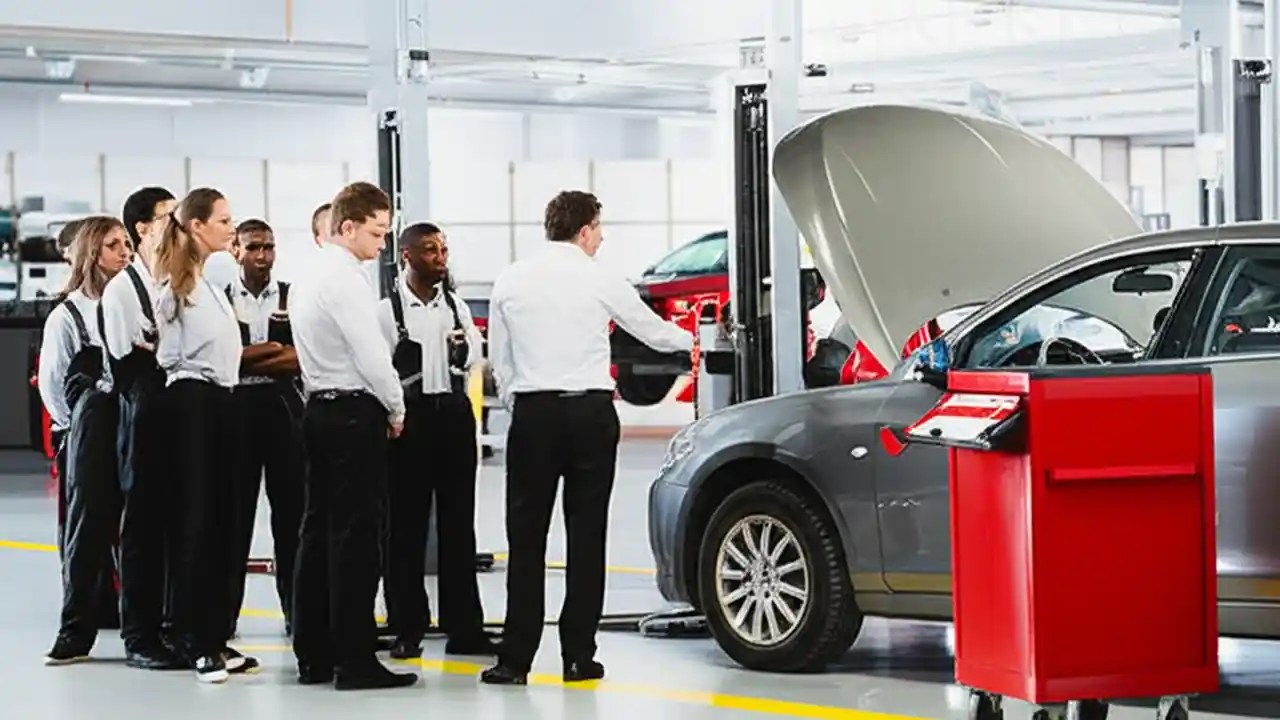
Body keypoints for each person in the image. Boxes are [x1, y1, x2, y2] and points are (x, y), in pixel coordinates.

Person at [481, 190, 693, 685]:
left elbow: (500, 357)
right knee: (586, 535)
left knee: (525, 537)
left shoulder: (511, 278)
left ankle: (515, 659)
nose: (601, 237)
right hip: (589, 416)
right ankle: (578, 656)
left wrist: (519, 401)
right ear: (583, 230)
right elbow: (653, 332)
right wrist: (700, 338)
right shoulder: (601, 278)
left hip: (533, 416)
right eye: (598, 228)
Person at [290, 182, 417, 690]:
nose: (382, 244)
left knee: (317, 534)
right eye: (377, 233)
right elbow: (371, 355)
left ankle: (314, 654)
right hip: (352, 413)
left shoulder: (308, 274)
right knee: (357, 540)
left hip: (318, 409)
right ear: (348, 227)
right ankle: (355, 659)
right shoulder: (346, 280)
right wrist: (397, 406)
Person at [151, 187, 256, 684]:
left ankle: (213, 633)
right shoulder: (176, 285)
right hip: (192, 402)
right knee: (195, 522)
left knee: (221, 521)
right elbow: (166, 354)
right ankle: (192, 638)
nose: (231, 228)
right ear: (197, 226)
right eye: (224, 220)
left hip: (221, 401)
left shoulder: (210, 284)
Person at [377, 222, 494, 660]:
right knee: (403, 526)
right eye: (430, 250)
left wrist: (465, 350)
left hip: (453, 416)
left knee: (459, 525)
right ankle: (407, 625)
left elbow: (477, 357)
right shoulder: (386, 313)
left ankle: (464, 628)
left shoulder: (457, 307)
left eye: (443, 250)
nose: (440, 258)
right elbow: (378, 367)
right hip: (409, 421)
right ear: (407, 255)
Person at [38, 216, 131, 664]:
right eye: (114, 245)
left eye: (127, 243)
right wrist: (76, 429)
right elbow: (53, 384)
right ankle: (76, 629)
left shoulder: (136, 304)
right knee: (87, 528)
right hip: (89, 434)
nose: (125, 252)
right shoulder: (68, 316)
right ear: (92, 252)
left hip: (135, 429)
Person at [101, 186, 186, 671]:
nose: (177, 224)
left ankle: (173, 626)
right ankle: (140, 635)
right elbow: (130, 360)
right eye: (168, 216)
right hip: (142, 415)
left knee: (177, 526)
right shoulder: (122, 291)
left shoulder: (173, 280)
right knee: (143, 529)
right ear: (144, 228)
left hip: (176, 414)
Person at [222, 218, 304, 638]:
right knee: (233, 518)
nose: (262, 255)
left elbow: (301, 355)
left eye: (268, 247)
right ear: (235, 250)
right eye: (253, 247)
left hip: (285, 412)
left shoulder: (294, 296)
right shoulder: (219, 301)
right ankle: (223, 616)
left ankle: (298, 612)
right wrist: (271, 352)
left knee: (292, 516)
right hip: (235, 414)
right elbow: (220, 357)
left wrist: (247, 356)